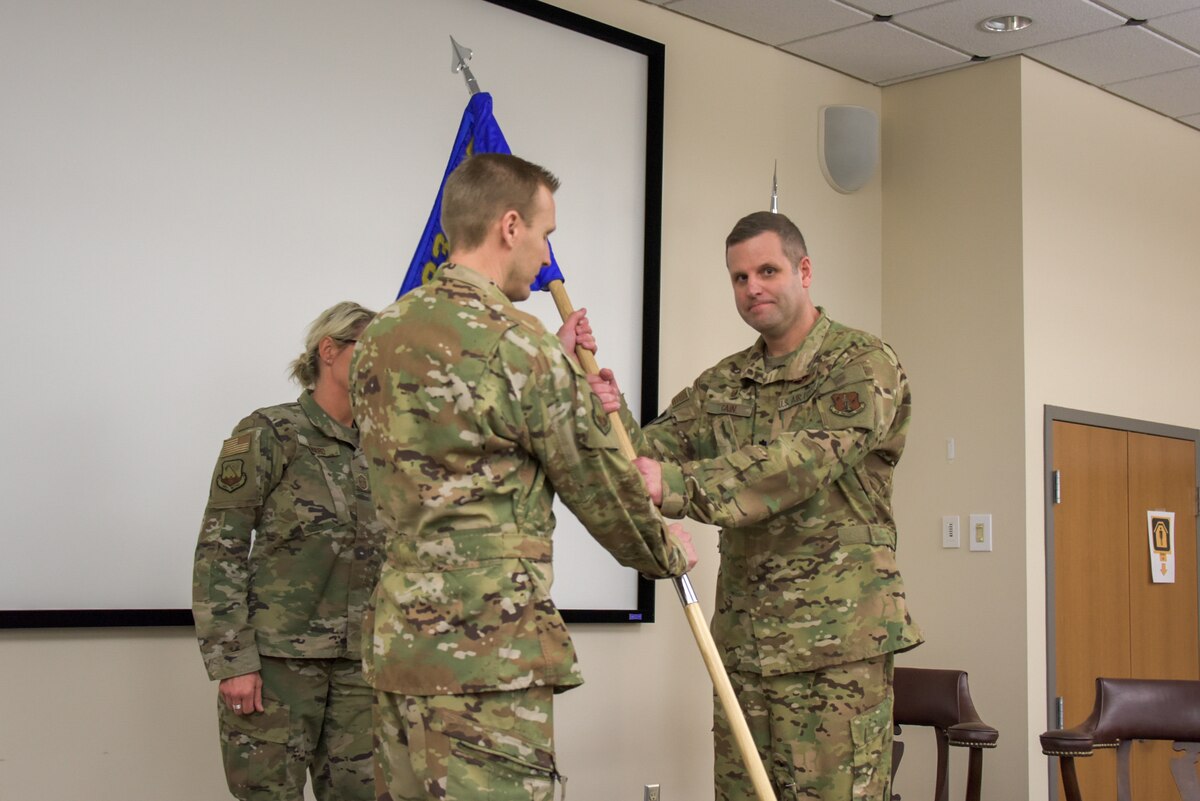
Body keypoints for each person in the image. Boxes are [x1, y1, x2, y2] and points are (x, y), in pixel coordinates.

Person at [350, 152, 696, 801]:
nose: (547, 257)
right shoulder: (520, 345)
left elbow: (452, 435)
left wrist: (552, 366)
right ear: (510, 226)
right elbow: (600, 485)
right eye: (546, 233)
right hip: (487, 659)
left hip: (399, 655)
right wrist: (669, 548)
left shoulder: (381, 334)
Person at [583, 211, 923, 800]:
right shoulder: (724, 383)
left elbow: (803, 461)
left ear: (805, 270)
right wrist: (602, 409)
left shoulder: (862, 364)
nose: (752, 288)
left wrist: (679, 484)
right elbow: (644, 457)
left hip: (834, 649)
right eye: (739, 278)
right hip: (746, 647)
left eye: (767, 270)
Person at [193, 301, 385, 801]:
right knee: (268, 794)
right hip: (278, 663)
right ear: (329, 350)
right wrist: (233, 660)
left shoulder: (387, 446)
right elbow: (220, 551)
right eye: (373, 350)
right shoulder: (270, 433)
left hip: (362, 667)